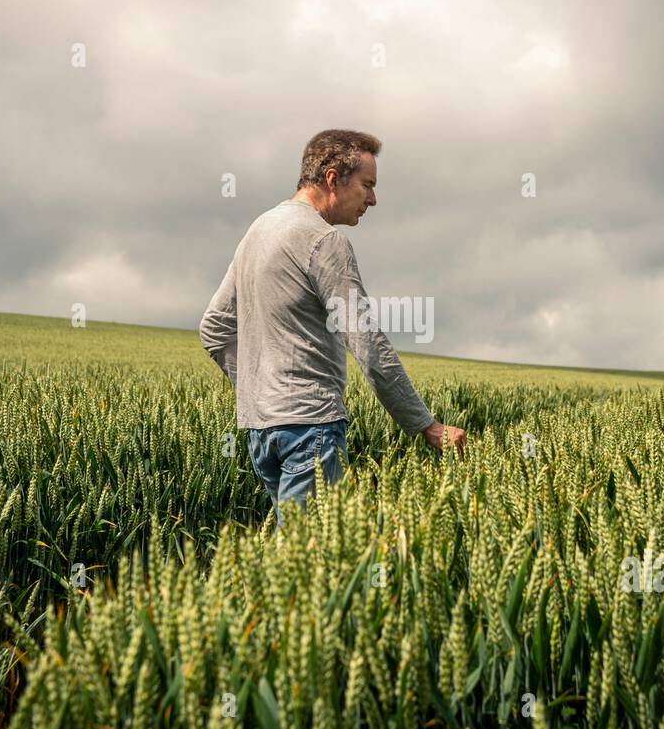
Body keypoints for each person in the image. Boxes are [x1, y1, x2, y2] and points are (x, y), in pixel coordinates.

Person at [199, 129, 466, 527]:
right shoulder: (323, 241)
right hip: (310, 429)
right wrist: (427, 426)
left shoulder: (258, 230)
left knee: (293, 563)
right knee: (313, 562)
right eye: (367, 185)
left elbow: (213, 328)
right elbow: (368, 346)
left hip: (260, 432)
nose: (373, 199)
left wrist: (262, 391)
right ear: (332, 179)